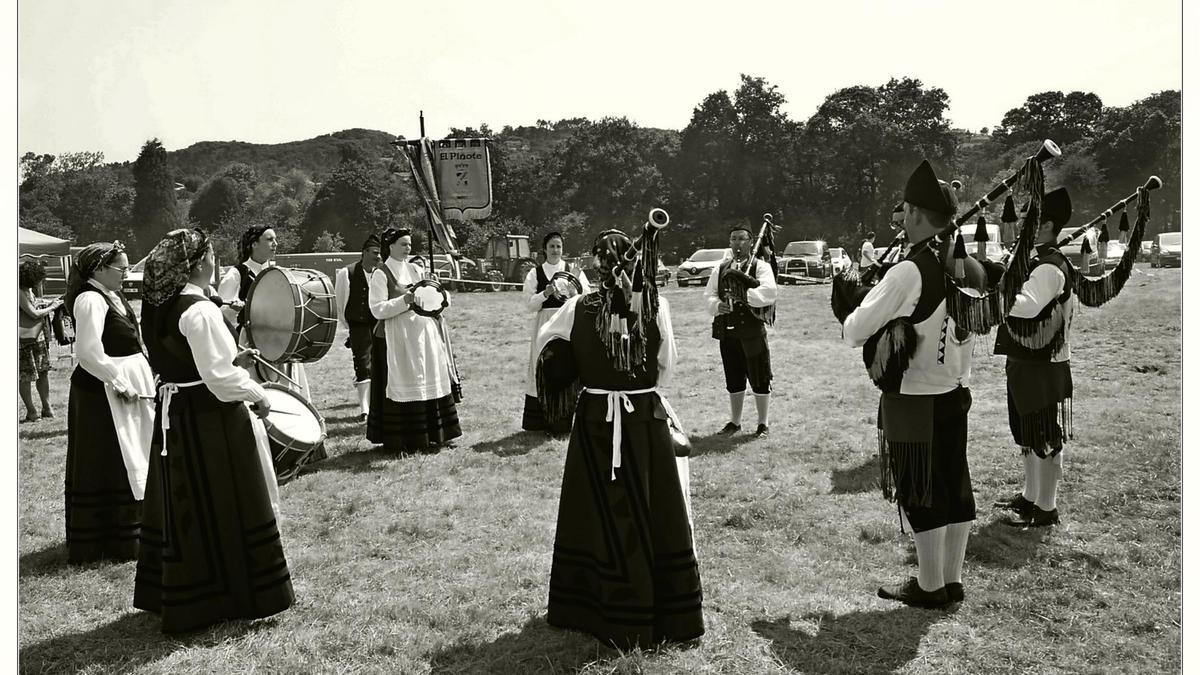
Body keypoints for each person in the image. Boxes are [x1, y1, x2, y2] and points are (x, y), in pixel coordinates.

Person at [534, 228, 703, 649]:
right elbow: (667, 365)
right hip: (642, 415)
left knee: (595, 511)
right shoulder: (655, 304)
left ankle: (590, 606)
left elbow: (548, 349)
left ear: (595, 264)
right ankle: (661, 608)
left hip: (597, 418)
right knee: (653, 507)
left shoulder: (576, 306)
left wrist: (586, 375)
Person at [134, 228, 292, 633]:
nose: (215, 262)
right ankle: (235, 593)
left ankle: (194, 593)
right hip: (210, 417)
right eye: (210, 255)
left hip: (179, 413)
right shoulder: (199, 309)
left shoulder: (158, 304)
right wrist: (258, 392)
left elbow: (187, 360)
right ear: (197, 263)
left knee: (190, 506)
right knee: (226, 500)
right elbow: (220, 379)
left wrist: (230, 356)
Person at [841, 160, 981, 609]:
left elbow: (855, 330)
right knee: (954, 484)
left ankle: (928, 585)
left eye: (905, 209)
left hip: (914, 397)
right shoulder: (970, 267)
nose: (902, 216)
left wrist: (854, 302)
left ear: (917, 214)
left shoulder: (909, 271)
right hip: (956, 392)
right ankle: (950, 580)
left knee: (920, 490)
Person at [57, 243, 155, 564]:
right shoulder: (90, 299)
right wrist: (118, 380)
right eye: (121, 269)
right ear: (99, 269)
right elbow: (88, 351)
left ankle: (136, 531)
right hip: (102, 394)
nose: (126, 274)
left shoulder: (113, 295)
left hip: (122, 388)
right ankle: (112, 539)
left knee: (133, 454)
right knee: (112, 459)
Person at [992, 188, 1075, 528]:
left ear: (1047, 226)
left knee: (1043, 435)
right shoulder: (1037, 259)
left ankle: (1046, 507)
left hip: (1043, 363)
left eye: (1031, 220)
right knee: (1026, 432)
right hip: (1026, 359)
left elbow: (1027, 307)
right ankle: (1029, 497)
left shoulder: (1050, 266)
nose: (1025, 225)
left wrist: (999, 285)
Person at [367, 228, 462, 452]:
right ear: (390, 246)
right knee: (403, 383)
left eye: (409, 244)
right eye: (403, 244)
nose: (408, 249)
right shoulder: (381, 273)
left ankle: (435, 433)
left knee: (429, 377)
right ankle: (404, 439)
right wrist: (404, 301)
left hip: (422, 334)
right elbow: (377, 309)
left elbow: (432, 298)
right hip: (397, 336)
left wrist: (437, 292)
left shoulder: (416, 269)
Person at [217, 224, 311, 399]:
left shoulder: (278, 272)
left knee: (286, 390)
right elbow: (221, 314)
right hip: (251, 341)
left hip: (281, 339)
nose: (275, 243)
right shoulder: (237, 274)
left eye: (275, 239)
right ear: (254, 244)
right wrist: (233, 308)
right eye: (269, 239)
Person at [704, 226, 778, 437]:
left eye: (741, 239)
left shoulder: (760, 266)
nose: (737, 243)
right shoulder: (721, 268)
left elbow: (769, 292)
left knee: (759, 377)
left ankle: (763, 424)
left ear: (750, 241)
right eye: (733, 239)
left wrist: (744, 296)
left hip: (752, 332)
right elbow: (709, 294)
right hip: (728, 332)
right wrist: (718, 306)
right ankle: (735, 422)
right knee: (733, 377)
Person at [521, 231, 591, 433]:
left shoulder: (572, 269)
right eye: (551, 246)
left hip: (567, 322)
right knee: (543, 365)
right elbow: (529, 305)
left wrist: (574, 284)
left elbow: (586, 297)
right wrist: (545, 293)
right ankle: (541, 419)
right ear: (544, 249)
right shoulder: (536, 273)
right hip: (545, 323)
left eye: (558, 246)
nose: (555, 250)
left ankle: (566, 416)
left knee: (568, 364)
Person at [335, 232, 383, 422]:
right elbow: (341, 303)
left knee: (380, 363)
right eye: (373, 253)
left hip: (379, 324)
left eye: (379, 253)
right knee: (362, 365)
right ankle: (365, 410)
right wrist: (350, 326)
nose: (377, 257)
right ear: (364, 253)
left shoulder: (381, 273)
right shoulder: (347, 273)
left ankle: (378, 404)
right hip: (359, 326)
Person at [18, 259, 62, 423]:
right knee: (26, 376)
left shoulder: (28, 290)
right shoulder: (18, 291)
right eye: (38, 278)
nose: (40, 281)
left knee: (43, 373)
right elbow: (33, 314)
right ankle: (31, 412)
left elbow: (35, 306)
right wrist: (52, 307)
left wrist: (48, 303)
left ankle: (47, 408)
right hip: (24, 340)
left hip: (38, 337)